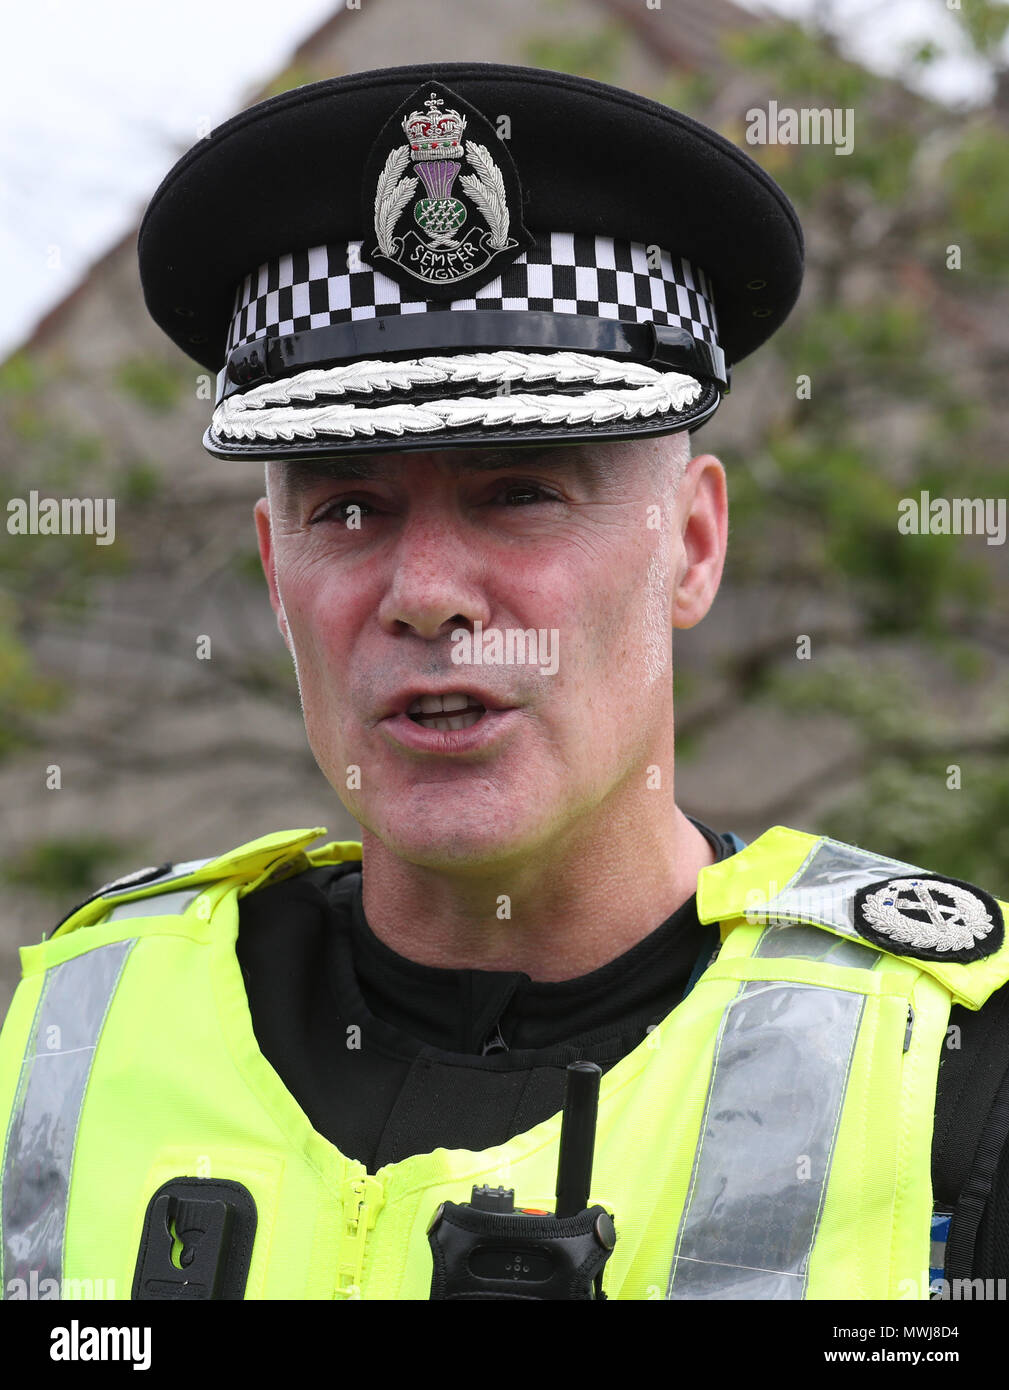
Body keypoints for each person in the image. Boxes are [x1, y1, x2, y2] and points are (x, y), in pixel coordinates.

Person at [0, 60, 1006, 1304]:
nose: (426, 592)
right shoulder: (70, 1037)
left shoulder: (955, 1080)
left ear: (692, 546)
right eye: (351, 506)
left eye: (521, 491)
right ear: (274, 569)